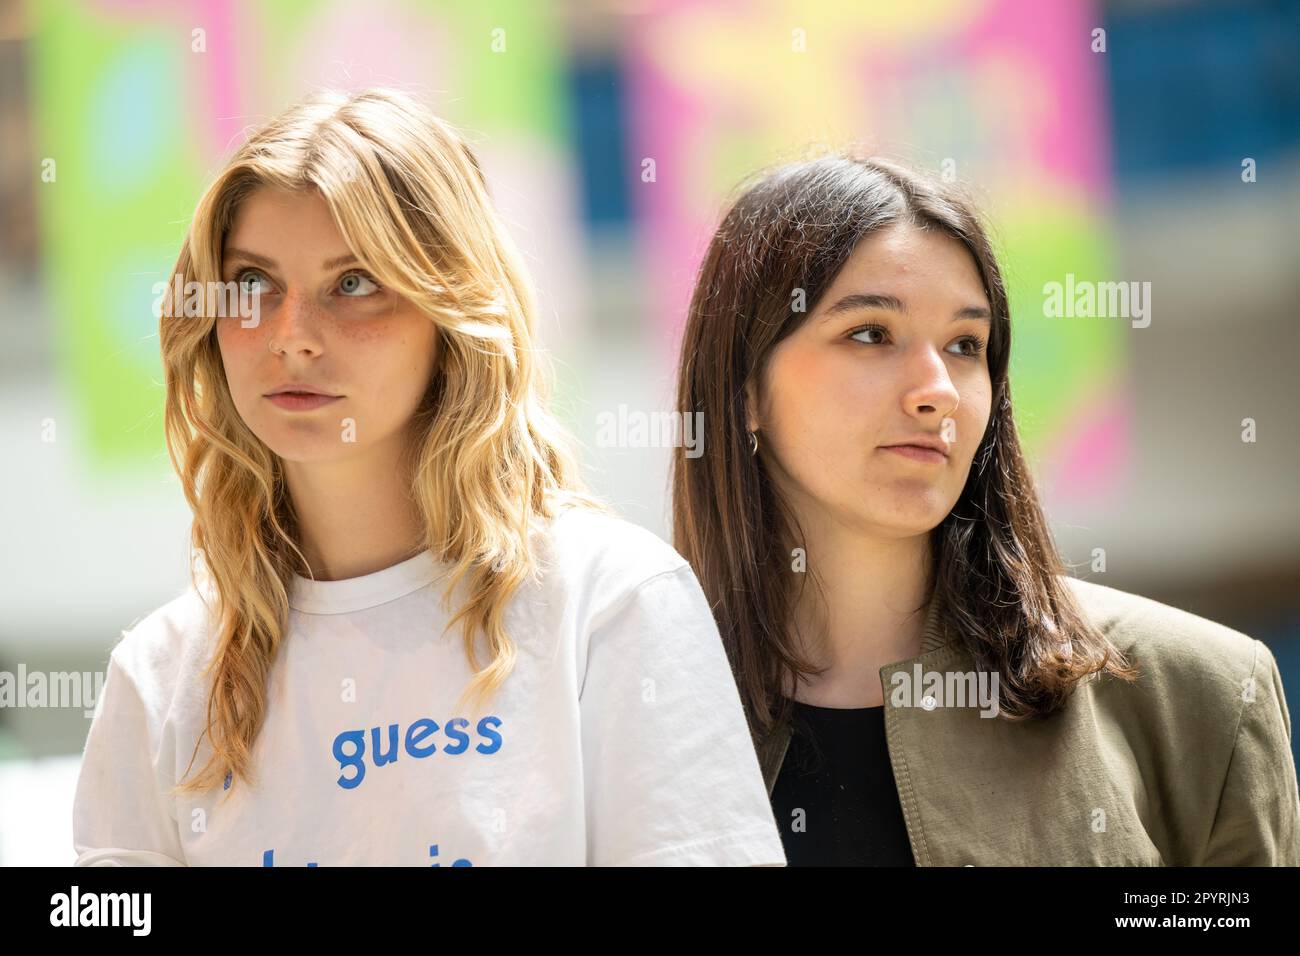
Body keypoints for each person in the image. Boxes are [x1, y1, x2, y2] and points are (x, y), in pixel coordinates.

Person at [72, 87, 784, 867]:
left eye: (354, 283)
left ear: (451, 317)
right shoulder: (158, 678)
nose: (291, 337)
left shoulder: (608, 601)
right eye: (251, 285)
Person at [670, 151, 1300, 866]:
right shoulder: (635, 708)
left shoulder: (1195, 691)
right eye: (871, 333)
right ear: (745, 390)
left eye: (966, 345)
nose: (936, 388)